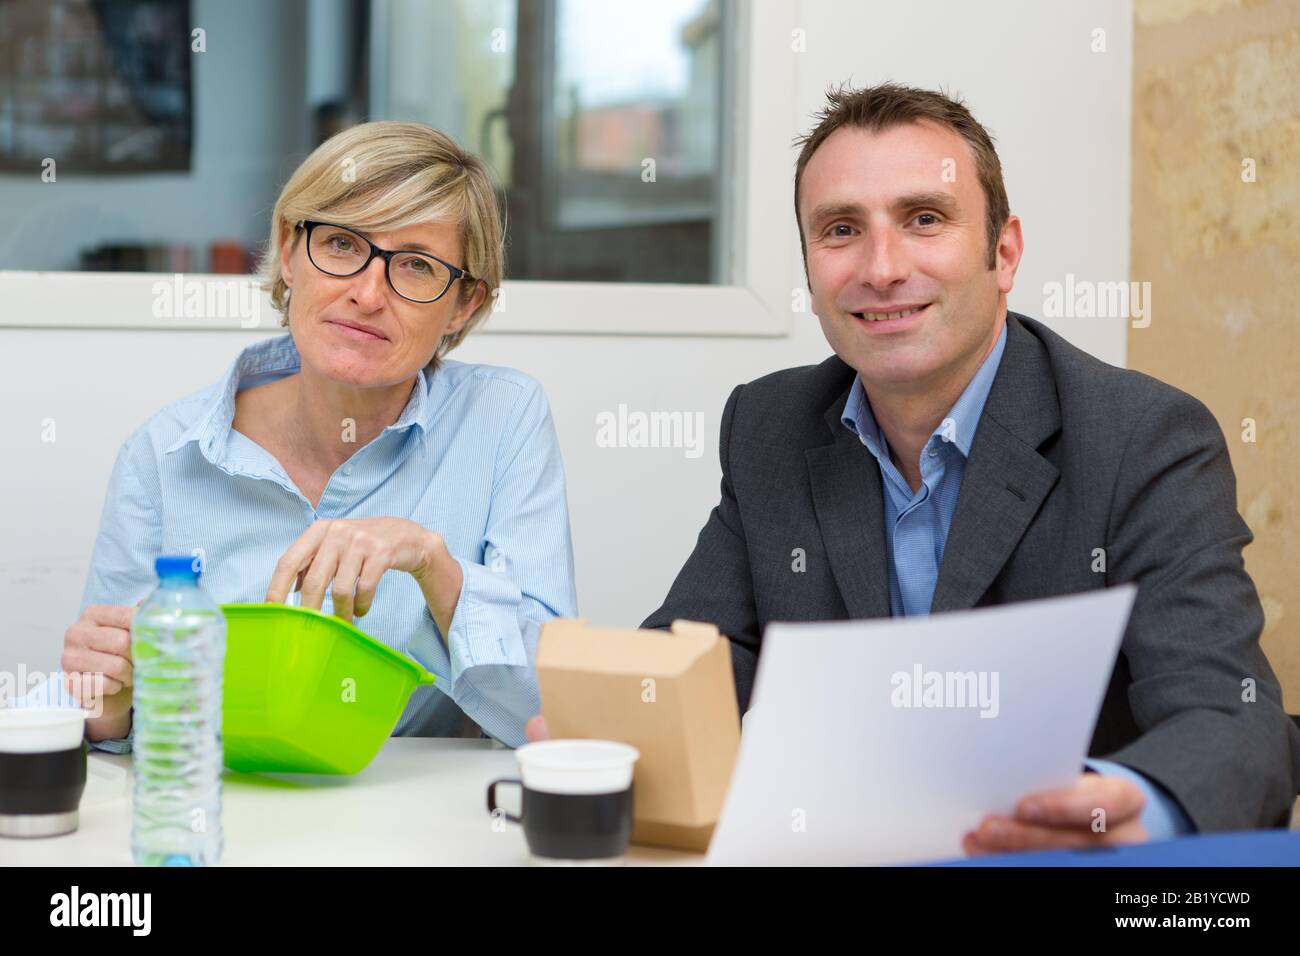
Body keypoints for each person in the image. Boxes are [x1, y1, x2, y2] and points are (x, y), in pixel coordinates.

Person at [529, 82, 1300, 856]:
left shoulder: (1144, 437)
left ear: (1005, 252)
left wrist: (1131, 807)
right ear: (809, 273)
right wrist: (613, 720)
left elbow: (1232, 716)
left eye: (923, 219)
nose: (883, 267)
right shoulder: (769, 427)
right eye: (840, 230)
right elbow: (706, 653)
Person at [57, 121, 575, 750]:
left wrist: (433, 565)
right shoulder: (161, 454)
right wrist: (105, 705)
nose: (366, 293)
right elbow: (113, 720)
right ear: (288, 249)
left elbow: (551, 717)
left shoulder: (504, 417)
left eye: (415, 266)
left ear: (464, 305)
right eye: (341, 244)